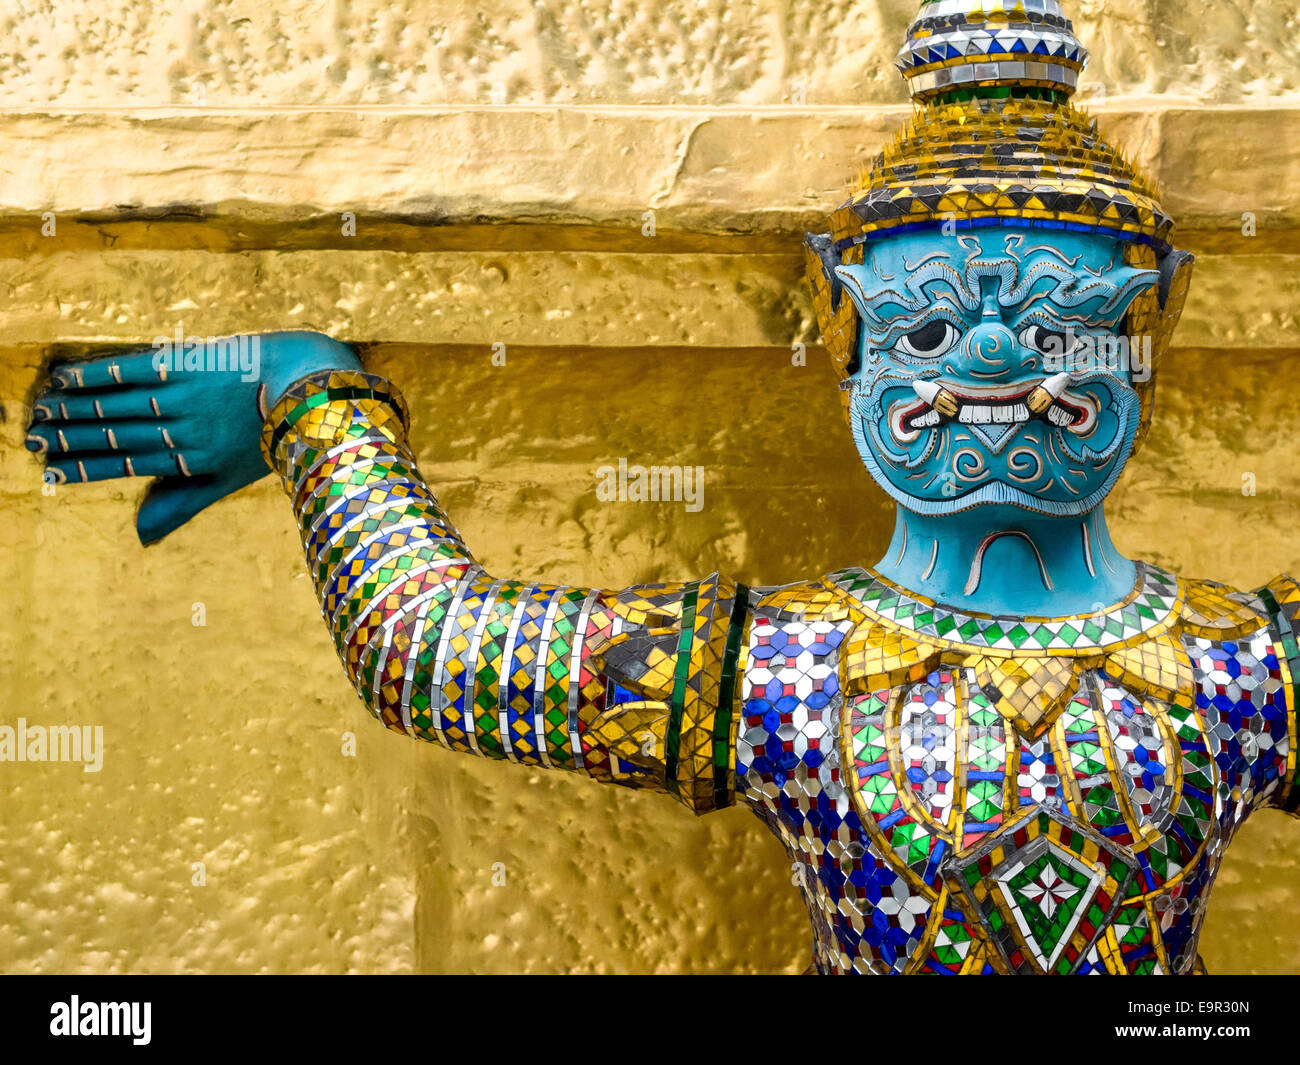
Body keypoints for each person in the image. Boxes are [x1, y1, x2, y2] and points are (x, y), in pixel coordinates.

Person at [25, 1, 1300, 974]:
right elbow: (425, 647)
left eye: (1060, 326)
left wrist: (311, 407)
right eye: (926, 332)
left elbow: (425, 646)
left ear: (1147, 337)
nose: (993, 365)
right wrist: (312, 402)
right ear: (841, 334)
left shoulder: (1243, 673)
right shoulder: (789, 675)